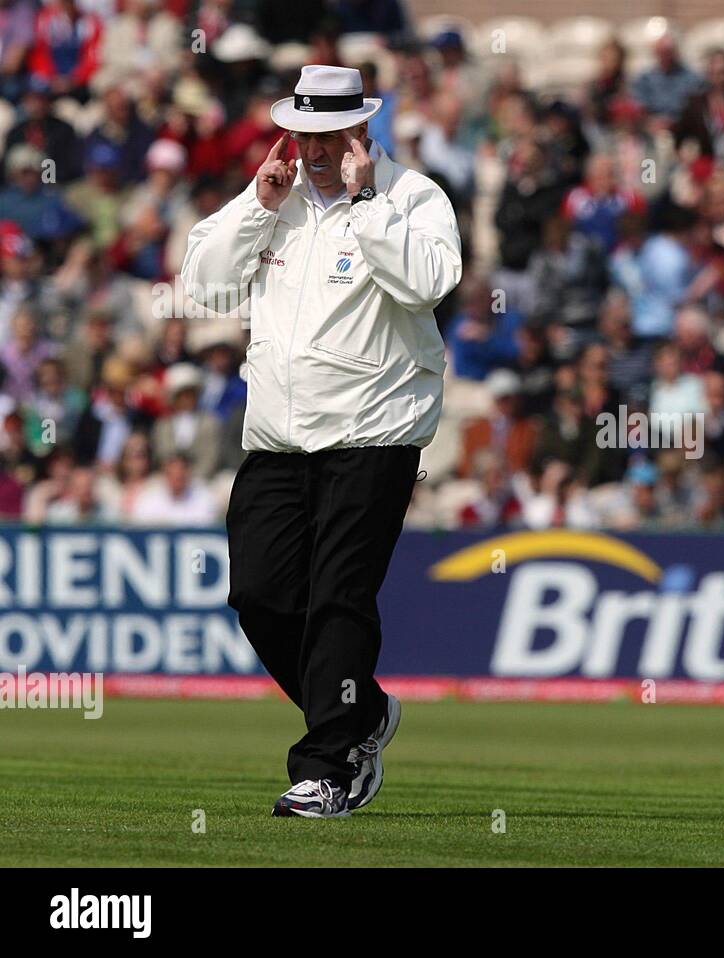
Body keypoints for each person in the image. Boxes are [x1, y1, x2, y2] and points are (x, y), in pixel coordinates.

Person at [181, 65, 462, 819]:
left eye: (326, 136)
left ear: (359, 132)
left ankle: (330, 766)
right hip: (277, 440)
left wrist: (367, 202)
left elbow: (429, 283)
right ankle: (362, 712)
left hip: (373, 434)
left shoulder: (411, 196)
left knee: (339, 595)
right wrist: (255, 203)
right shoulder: (275, 201)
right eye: (302, 134)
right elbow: (202, 288)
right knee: (261, 596)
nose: (310, 150)